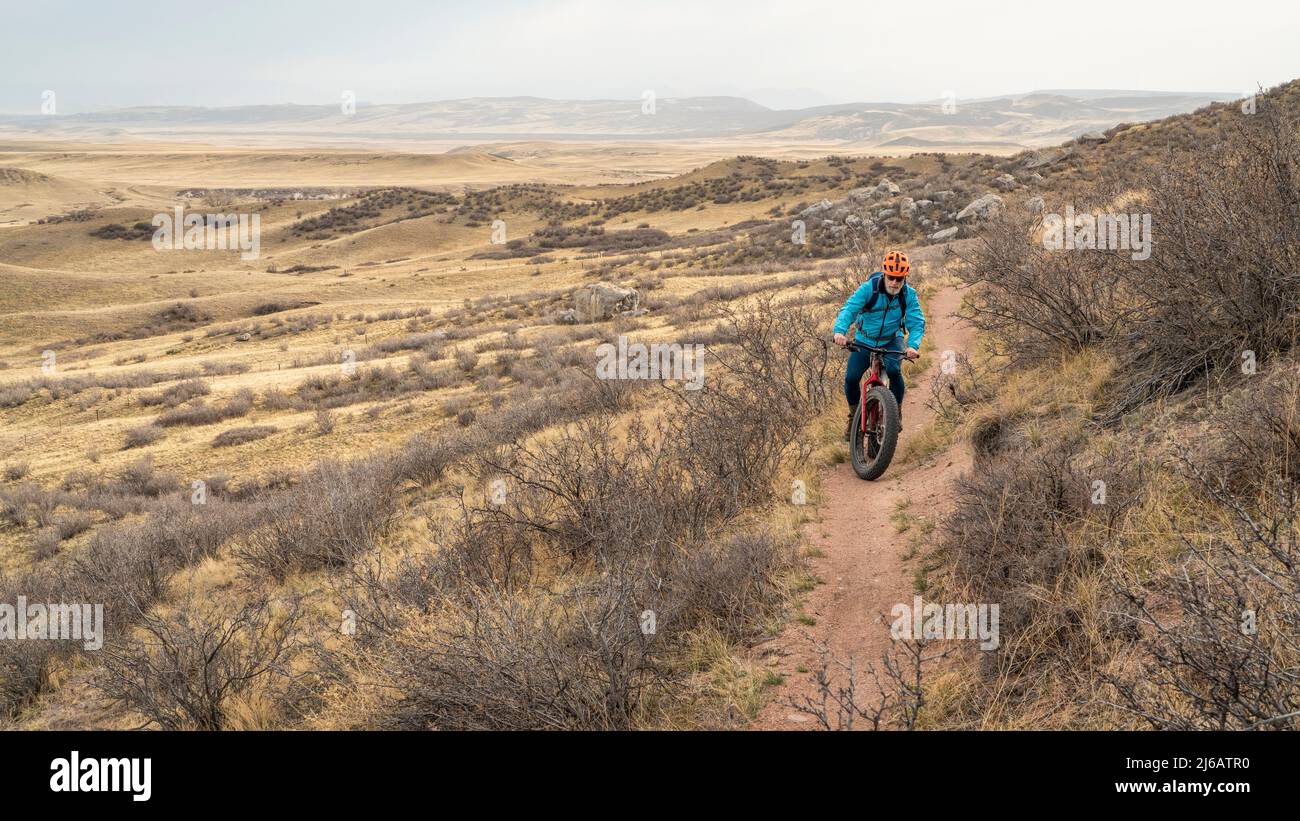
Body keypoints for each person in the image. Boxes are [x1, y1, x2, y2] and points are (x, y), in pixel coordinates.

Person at [832, 250, 926, 440]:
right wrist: (840, 331)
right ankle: (853, 417)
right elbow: (850, 309)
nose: (894, 283)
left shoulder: (908, 294)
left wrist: (913, 346)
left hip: (892, 338)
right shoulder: (869, 289)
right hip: (864, 340)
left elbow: (916, 322)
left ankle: (895, 412)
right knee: (851, 378)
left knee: (893, 370)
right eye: (891, 277)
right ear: (884, 274)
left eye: (899, 279)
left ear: (904, 278)